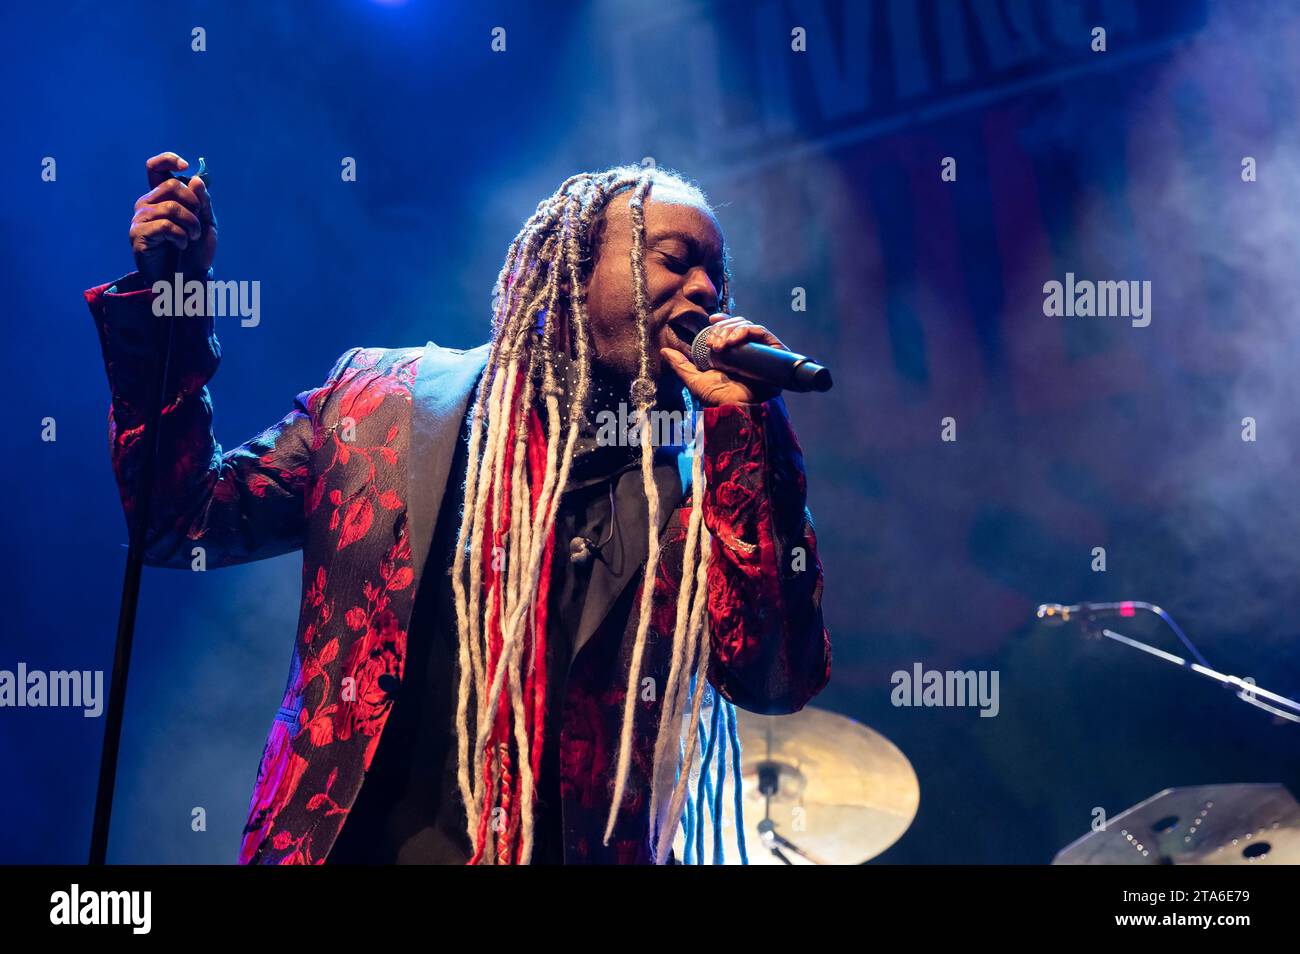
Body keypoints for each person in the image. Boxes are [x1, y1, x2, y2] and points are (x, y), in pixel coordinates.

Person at [86, 155, 831, 864]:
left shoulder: (699, 510)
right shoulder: (379, 405)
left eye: (718, 277)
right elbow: (179, 520)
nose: (706, 291)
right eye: (677, 259)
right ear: (570, 270)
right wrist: (170, 303)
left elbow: (777, 679)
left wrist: (746, 430)